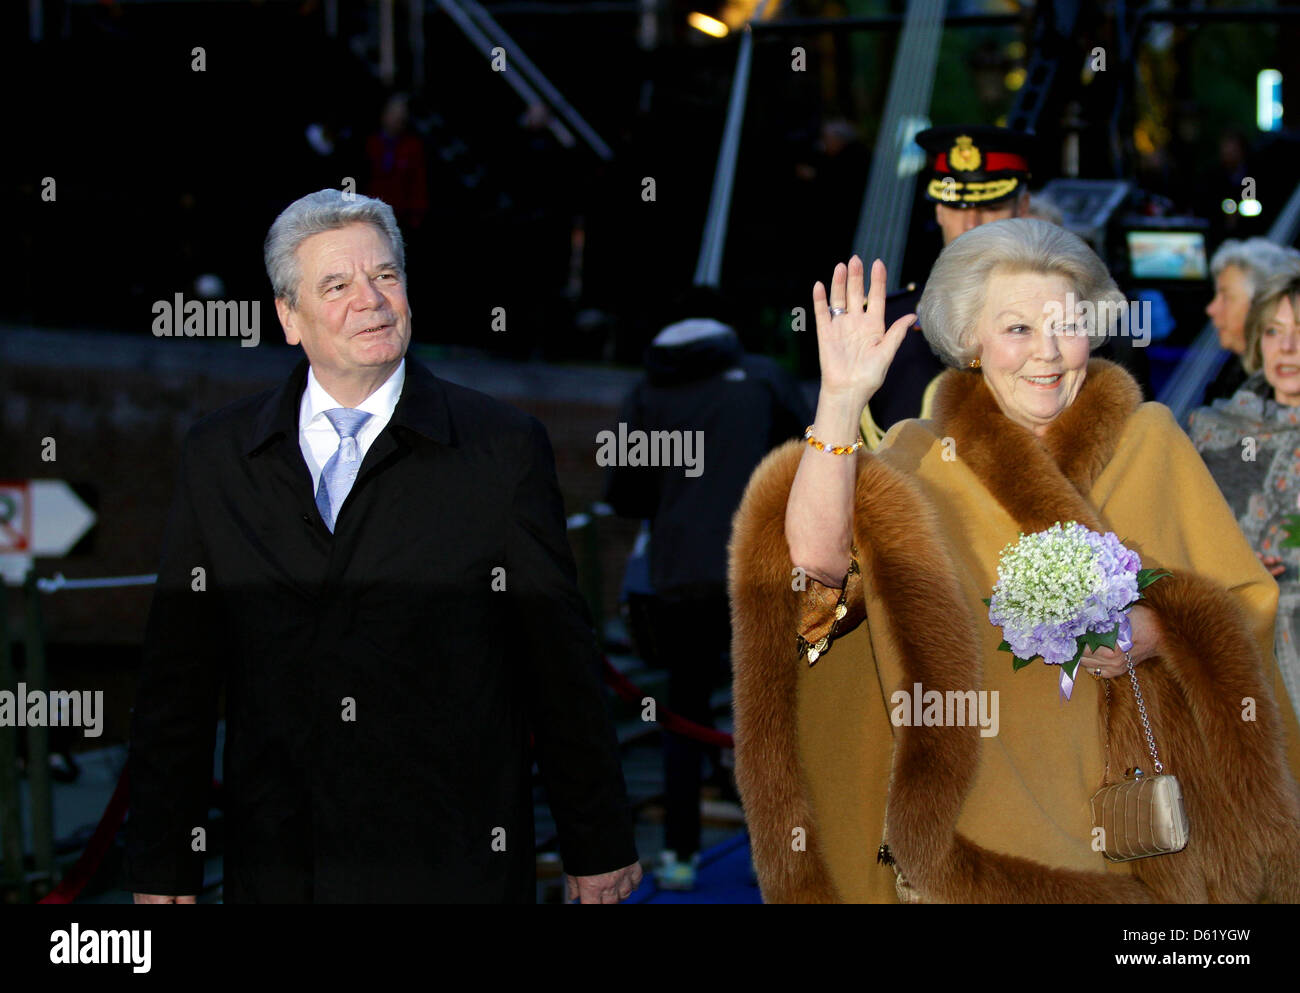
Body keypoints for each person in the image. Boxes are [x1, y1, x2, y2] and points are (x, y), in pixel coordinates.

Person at [729, 218, 1300, 903]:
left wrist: (1157, 630)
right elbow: (815, 581)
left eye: (1066, 324)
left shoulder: (1151, 439)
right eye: (1018, 329)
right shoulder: (917, 456)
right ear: (971, 340)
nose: (1049, 353)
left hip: (1140, 833)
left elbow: (1247, 602)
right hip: (980, 835)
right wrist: (841, 400)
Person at [125, 189, 641, 904]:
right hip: (282, 866)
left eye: (385, 276)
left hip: (451, 864)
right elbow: (176, 678)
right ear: (288, 317)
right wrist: (161, 857)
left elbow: (559, 662)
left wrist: (598, 838)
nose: (370, 300)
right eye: (336, 285)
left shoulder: (499, 447)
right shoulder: (221, 456)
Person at [605, 304, 809, 889]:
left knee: (682, 712)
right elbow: (812, 461)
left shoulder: (648, 392)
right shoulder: (764, 379)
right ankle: (773, 851)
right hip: (763, 570)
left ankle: (678, 855)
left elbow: (625, 494)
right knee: (770, 713)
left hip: (679, 577)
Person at [869, 125, 1035, 435]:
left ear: (1022, 208)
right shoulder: (885, 323)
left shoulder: (1066, 324)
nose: (971, 223)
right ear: (939, 211)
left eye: (990, 206)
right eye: (957, 206)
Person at [1189, 267, 1300, 723]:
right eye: (1273, 331)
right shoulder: (1212, 431)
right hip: (1237, 642)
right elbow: (1180, 535)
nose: (1286, 348)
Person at [1202, 238, 1300, 405]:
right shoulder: (1230, 374)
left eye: (1226, 297)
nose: (1211, 309)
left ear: (1260, 304)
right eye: (1273, 331)